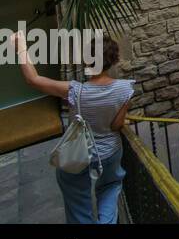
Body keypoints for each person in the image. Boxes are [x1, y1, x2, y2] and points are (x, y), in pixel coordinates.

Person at [15, 30, 134, 224]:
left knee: (77, 202)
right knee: (110, 187)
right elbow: (116, 125)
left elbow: (33, 80)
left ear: (87, 61)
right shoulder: (125, 89)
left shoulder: (75, 91)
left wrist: (21, 46)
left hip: (77, 154)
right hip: (110, 153)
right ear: (114, 60)